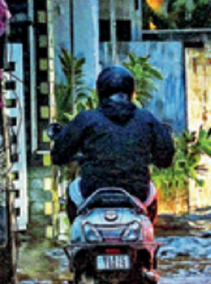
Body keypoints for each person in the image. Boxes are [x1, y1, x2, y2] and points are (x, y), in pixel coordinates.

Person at [52, 66, 175, 224]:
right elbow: (166, 157)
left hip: (92, 191)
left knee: (73, 188)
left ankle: (77, 241)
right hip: (137, 192)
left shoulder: (86, 119)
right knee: (152, 190)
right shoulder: (147, 119)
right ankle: (147, 236)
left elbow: (59, 154)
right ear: (131, 92)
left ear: (100, 91)